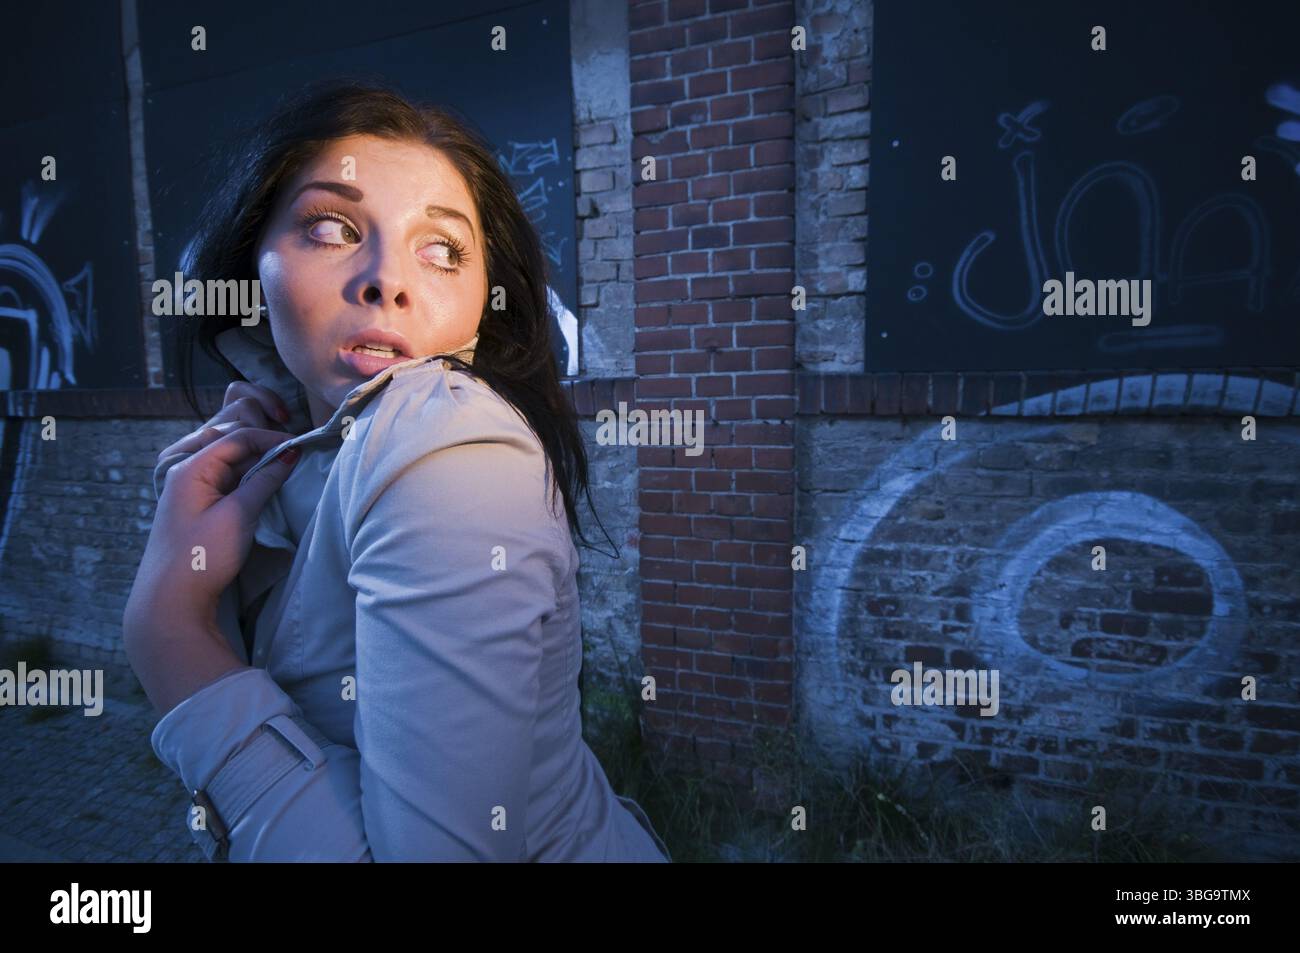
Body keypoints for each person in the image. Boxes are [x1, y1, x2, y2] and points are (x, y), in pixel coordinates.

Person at [123, 80, 670, 863]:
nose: (389, 279)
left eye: (442, 249)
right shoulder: (284, 442)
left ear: (487, 302)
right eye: (332, 227)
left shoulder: (445, 436)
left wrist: (171, 635)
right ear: (255, 263)